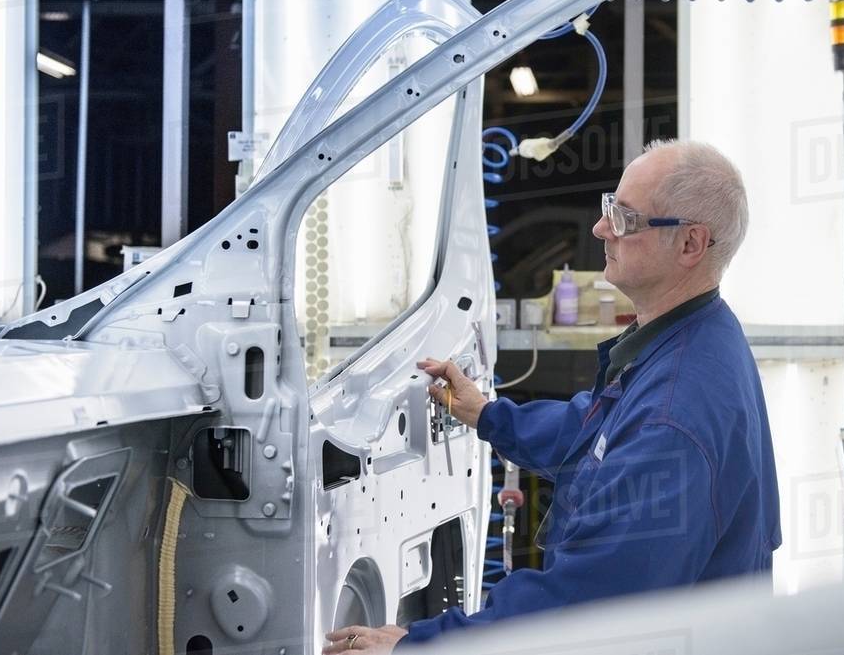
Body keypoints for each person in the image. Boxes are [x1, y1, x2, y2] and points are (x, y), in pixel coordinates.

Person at [325, 139, 780, 654]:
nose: (601, 228)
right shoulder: (692, 339)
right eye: (609, 207)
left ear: (691, 244)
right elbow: (597, 433)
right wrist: (489, 415)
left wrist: (422, 644)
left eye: (625, 218)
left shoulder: (674, 415)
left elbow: (585, 605)